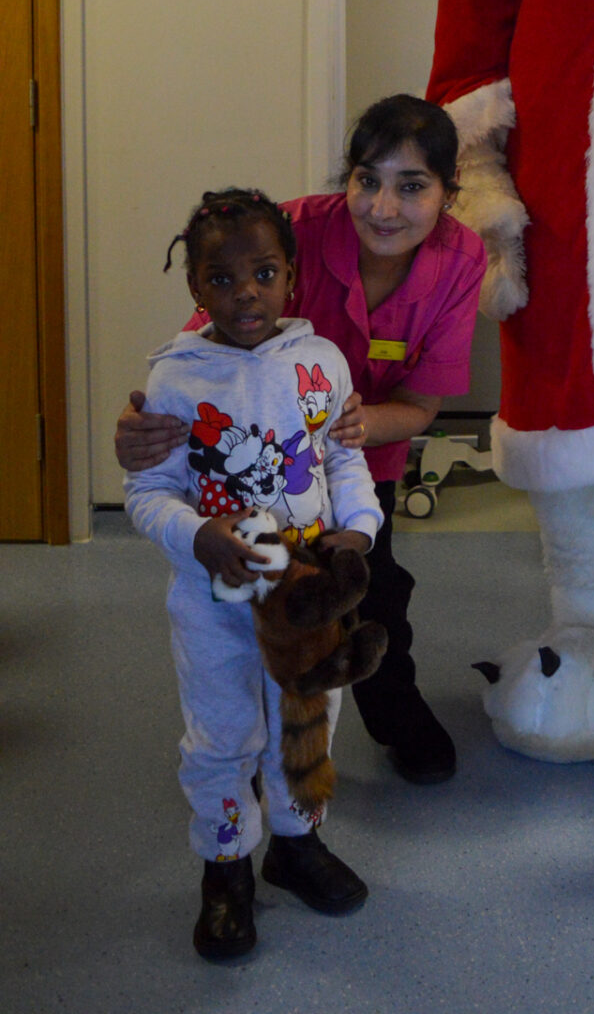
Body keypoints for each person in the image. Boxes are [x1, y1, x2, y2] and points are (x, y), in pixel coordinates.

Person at [115, 95, 486, 786]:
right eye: (366, 179)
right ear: (345, 179)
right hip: (252, 460)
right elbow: (205, 345)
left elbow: (422, 403)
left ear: (446, 192)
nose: (382, 207)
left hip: (354, 456)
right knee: (244, 600)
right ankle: (241, 741)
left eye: (412, 186)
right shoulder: (290, 231)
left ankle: (382, 714)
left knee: (369, 591)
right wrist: (144, 428)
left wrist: (356, 430)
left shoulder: (460, 260)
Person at [124, 185, 384, 962]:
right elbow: (148, 491)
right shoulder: (176, 378)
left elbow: (343, 457)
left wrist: (358, 531)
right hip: (215, 605)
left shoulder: (320, 362)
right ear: (195, 288)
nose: (246, 293)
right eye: (223, 279)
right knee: (222, 736)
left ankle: (298, 844)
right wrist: (197, 535)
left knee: (310, 716)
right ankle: (227, 864)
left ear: (291, 276)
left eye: (264, 274)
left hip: (306, 599)